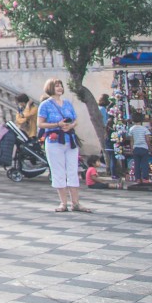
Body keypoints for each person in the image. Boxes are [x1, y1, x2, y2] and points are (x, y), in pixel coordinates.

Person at [39, 77, 90, 213]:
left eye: (61, 85)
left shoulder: (67, 103)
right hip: (54, 140)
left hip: (69, 139)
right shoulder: (45, 105)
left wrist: (70, 126)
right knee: (58, 171)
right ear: (50, 88)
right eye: (57, 86)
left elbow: (75, 119)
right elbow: (40, 124)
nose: (60, 88)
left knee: (73, 170)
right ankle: (63, 202)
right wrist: (57, 125)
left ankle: (76, 202)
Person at [127, 111, 152, 186]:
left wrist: (132, 149)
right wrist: (150, 147)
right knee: (144, 164)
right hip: (144, 148)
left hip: (136, 148)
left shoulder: (131, 129)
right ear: (142, 120)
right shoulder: (144, 129)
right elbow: (147, 140)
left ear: (133, 120)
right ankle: (145, 179)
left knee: (136, 164)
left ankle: (138, 179)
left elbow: (131, 140)